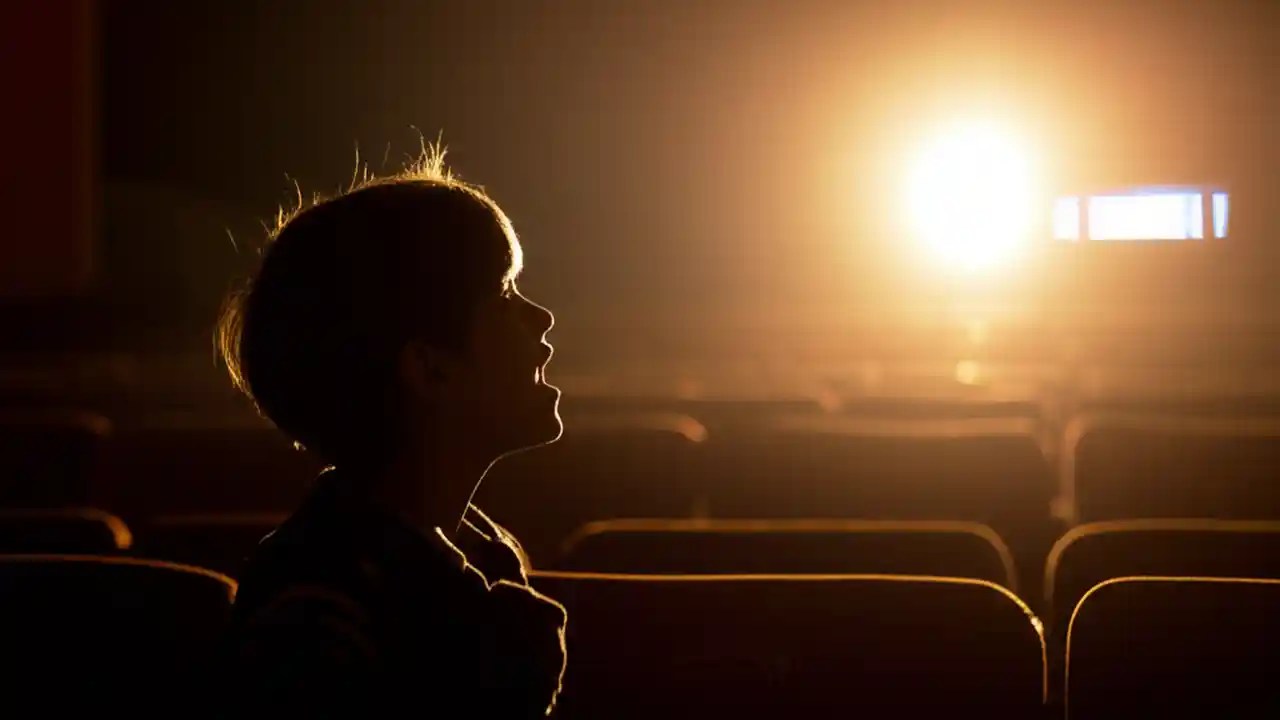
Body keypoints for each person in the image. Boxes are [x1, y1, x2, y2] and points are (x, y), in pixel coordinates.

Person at [214, 143, 568, 717]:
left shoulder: (481, 555)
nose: (542, 318)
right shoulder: (315, 615)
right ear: (429, 368)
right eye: (505, 295)